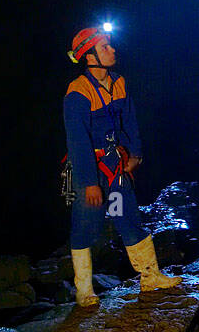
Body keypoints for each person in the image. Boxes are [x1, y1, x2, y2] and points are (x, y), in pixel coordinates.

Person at [63, 26, 181, 307]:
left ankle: (150, 276)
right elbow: (77, 140)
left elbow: (129, 121)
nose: (113, 50)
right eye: (105, 47)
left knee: (128, 218)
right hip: (89, 168)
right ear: (89, 56)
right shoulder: (77, 92)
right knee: (86, 226)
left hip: (115, 167)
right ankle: (84, 292)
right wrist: (89, 182)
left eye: (110, 46)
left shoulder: (119, 82)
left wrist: (135, 154)